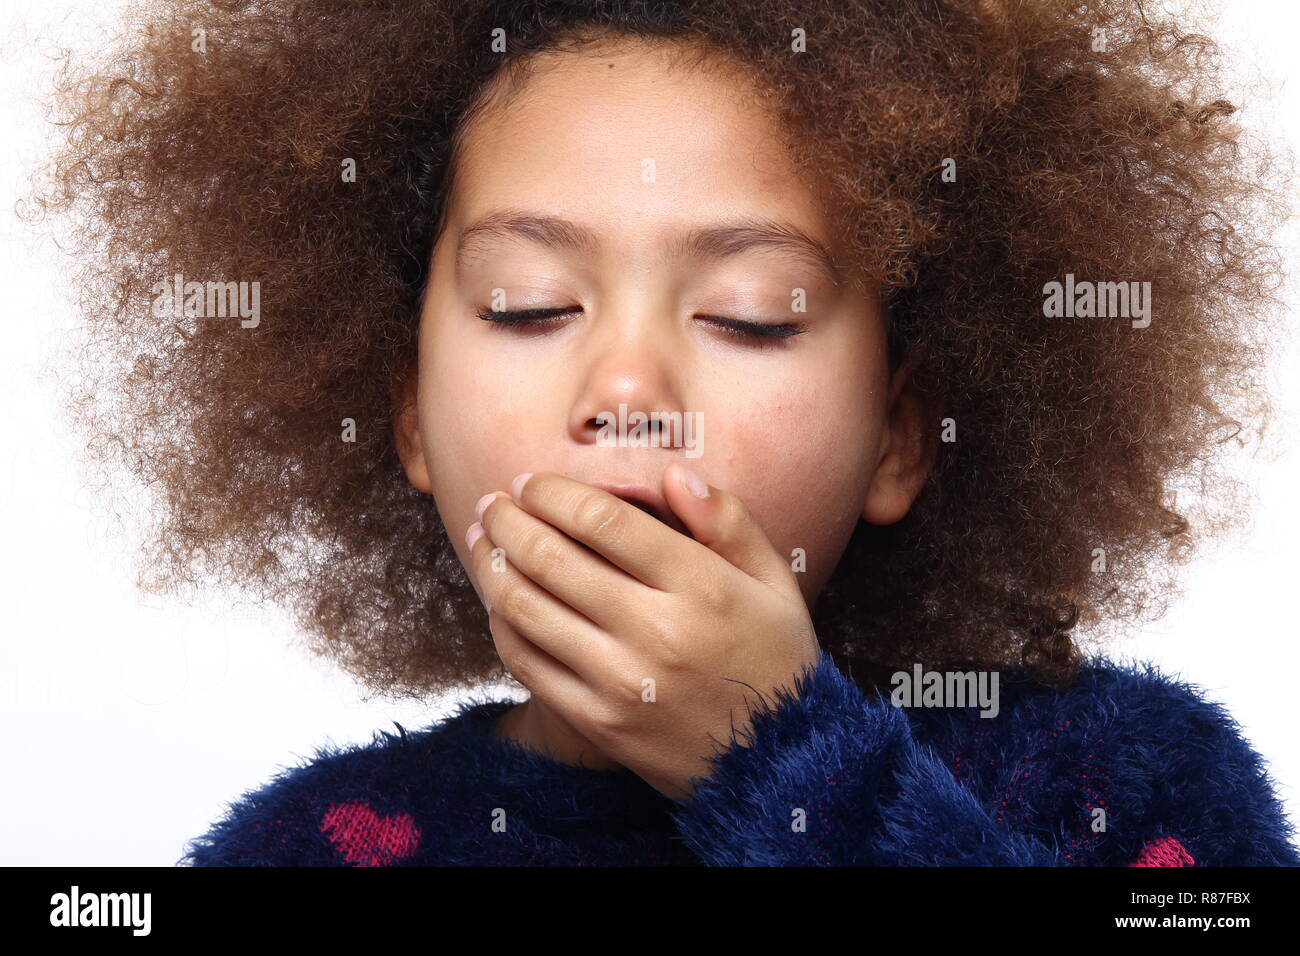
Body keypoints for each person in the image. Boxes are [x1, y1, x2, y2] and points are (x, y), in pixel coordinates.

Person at [33, 0, 1299, 865]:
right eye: (527, 306)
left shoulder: (1124, 784)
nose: (627, 385)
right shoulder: (311, 846)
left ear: (898, 439)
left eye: (747, 316)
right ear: (411, 419)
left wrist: (781, 759)